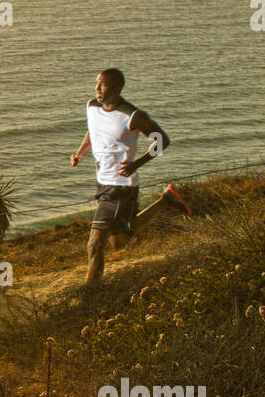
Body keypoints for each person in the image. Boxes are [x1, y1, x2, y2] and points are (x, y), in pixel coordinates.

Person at [70, 68, 191, 283]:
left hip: (121, 186)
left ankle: (90, 295)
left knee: (94, 245)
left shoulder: (133, 115)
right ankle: (165, 201)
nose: (98, 88)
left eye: (103, 85)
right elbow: (93, 131)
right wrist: (80, 153)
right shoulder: (92, 107)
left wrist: (137, 164)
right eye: (97, 83)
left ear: (117, 88)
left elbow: (162, 140)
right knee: (118, 242)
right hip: (103, 183)